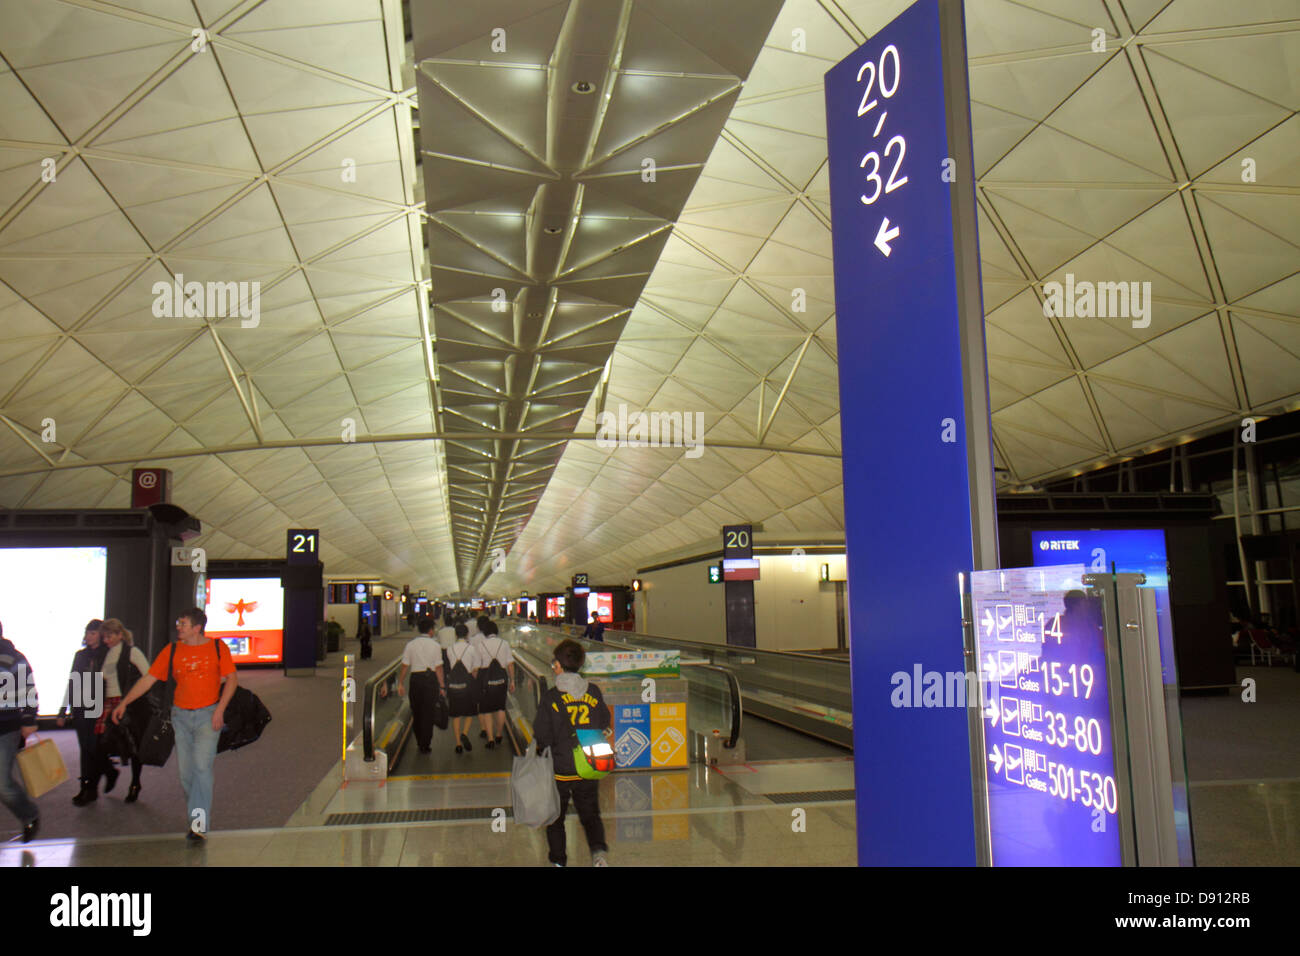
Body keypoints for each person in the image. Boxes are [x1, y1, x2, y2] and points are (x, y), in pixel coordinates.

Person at [112, 608, 236, 843]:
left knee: (201, 768)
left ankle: (199, 824)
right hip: (180, 716)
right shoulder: (172, 651)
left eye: (184, 623)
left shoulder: (218, 648)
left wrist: (220, 709)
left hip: (208, 716)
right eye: (178, 622)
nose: (178, 626)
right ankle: (196, 817)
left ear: (197, 627)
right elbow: (148, 679)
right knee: (185, 775)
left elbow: (231, 679)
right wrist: (124, 703)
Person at [532, 638, 611, 867]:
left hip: (561, 768)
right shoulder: (593, 692)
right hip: (589, 764)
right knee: (591, 815)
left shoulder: (552, 696)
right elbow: (604, 721)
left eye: (554, 662)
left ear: (559, 665)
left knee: (556, 818)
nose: (553, 666)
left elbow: (541, 733)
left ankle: (559, 861)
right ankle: (598, 855)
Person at [95, 619, 151, 805]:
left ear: (120, 635)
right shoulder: (107, 653)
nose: (106, 640)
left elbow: (149, 675)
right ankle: (111, 772)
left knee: (133, 745)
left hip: (127, 703)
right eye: (104, 636)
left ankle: (135, 783)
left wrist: (131, 697)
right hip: (109, 703)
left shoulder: (132, 652)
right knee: (98, 744)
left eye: (109, 636)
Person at [57, 620, 106, 807]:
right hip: (80, 706)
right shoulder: (80, 656)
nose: (89, 636)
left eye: (93, 633)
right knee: (85, 749)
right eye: (88, 632)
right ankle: (87, 787)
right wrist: (63, 710)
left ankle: (94, 785)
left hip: (99, 707)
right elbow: (73, 681)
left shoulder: (107, 654)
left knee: (93, 748)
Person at [0, 622, 40, 842]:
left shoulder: (14, 658)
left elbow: (29, 690)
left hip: (5, 728)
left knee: (3, 785)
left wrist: (28, 718)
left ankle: (29, 814)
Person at [396, 616, 444, 753]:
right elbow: (439, 668)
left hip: (416, 680)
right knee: (429, 712)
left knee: (416, 712)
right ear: (430, 630)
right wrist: (442, 686)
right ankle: (426, 743)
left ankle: (419, 740)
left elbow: (405, 665)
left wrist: (400, 683)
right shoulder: (435, 645)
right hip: (430, 680)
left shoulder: (411, 645)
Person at [444, 624, 483, 754]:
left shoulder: (450, 649)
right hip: (468, 684)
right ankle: (464, 733)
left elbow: (448, 666)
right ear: (467, 635)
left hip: (454, 684)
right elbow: (476, 668)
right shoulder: (471, 649)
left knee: (456, 715)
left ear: (456, 635)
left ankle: (458, 744)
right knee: (470, 713)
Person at [477, 620, 514, 749]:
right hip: (501, 677)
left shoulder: (481, 644)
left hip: (485, 677)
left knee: (486, 709)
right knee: (500, 707)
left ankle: (490, 739)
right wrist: (512, 680)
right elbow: (510, 663)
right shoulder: (504, 644)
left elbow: (477, 665)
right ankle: (499, 735)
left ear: (485, 632)